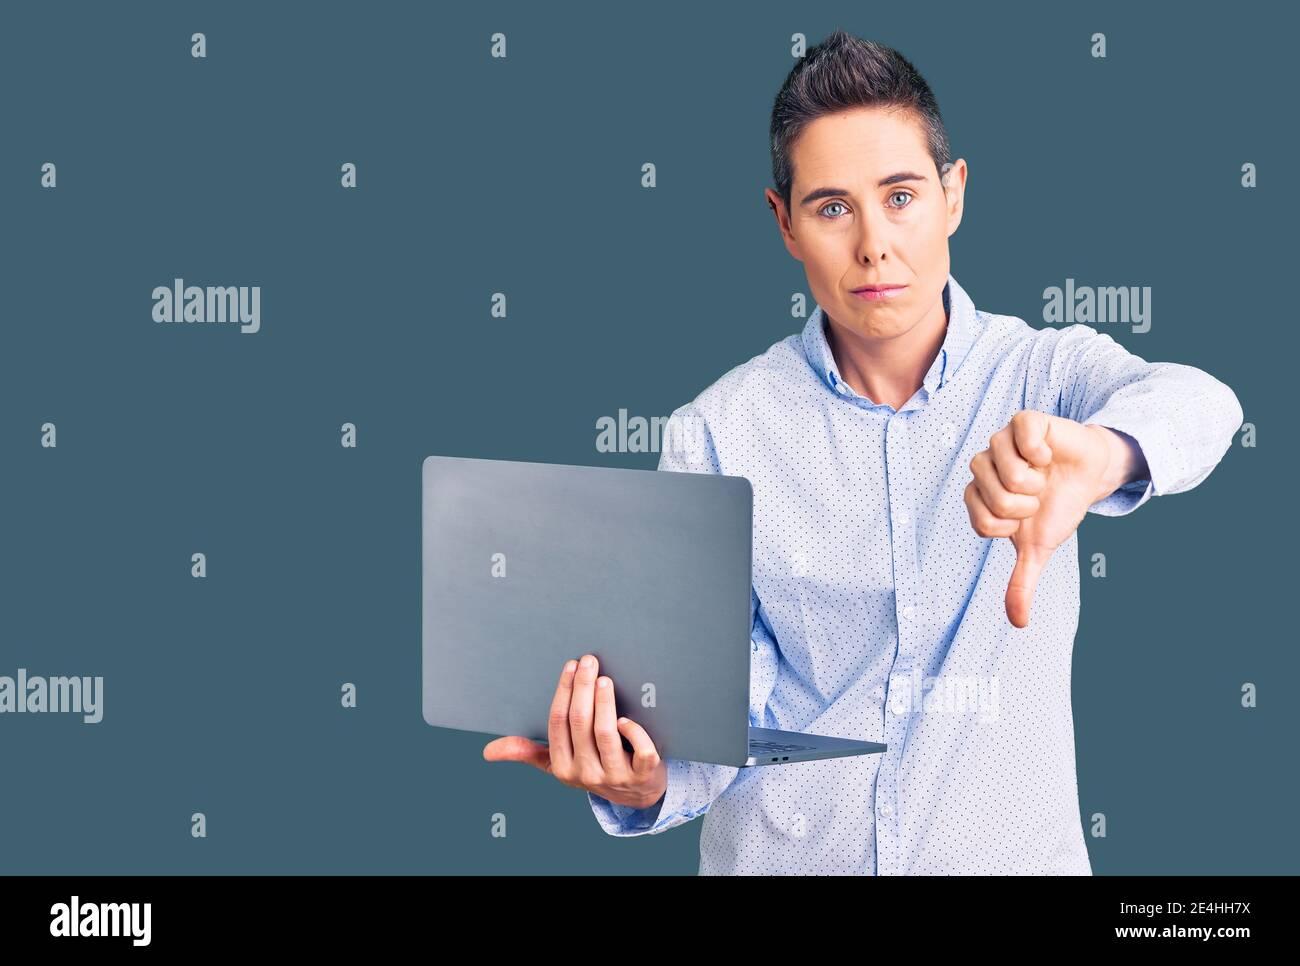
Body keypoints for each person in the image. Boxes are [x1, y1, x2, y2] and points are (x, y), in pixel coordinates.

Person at [483, 29, 1243, 874]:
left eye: (902, 196)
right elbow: (723, 703)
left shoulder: (1041, 374)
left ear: (954, 195)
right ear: (785, 224)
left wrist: (1103, 455)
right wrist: (642, 781)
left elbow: (1204, 403)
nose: (874, 244)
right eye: (833, 207)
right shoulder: (716, 430)